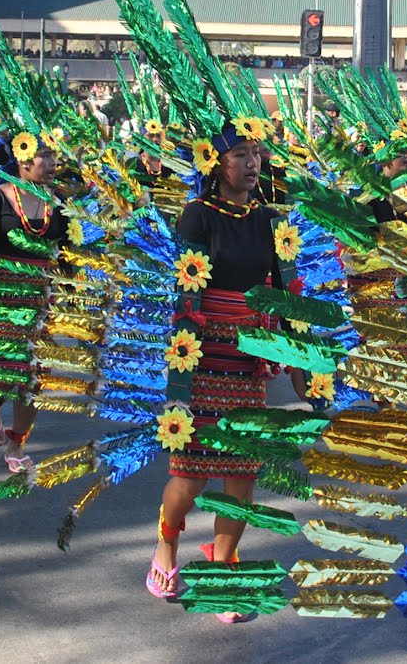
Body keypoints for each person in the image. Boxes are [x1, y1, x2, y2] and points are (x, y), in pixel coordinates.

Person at [148, 129, 282, 623]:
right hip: (201, 358)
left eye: (257, 155)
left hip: (247, 363)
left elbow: (282, 292)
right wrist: (179, 382)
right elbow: (185, 295)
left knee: (242, 475)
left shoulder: (269, 221)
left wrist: (299, 363)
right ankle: (166, 544)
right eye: (241, 155)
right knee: (190, 475)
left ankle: (222, 569)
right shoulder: (197, 215)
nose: (252, 163)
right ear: (215, 163)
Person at [0, 134, 71, 474]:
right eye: (46, 155)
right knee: (3, 370)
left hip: (41, 298)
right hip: (1, 298)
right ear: (23, 159)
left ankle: (17, 444)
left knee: (35, 376)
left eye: (55, 156)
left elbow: (70, 253)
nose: (54, 163)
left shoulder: (58, 202)